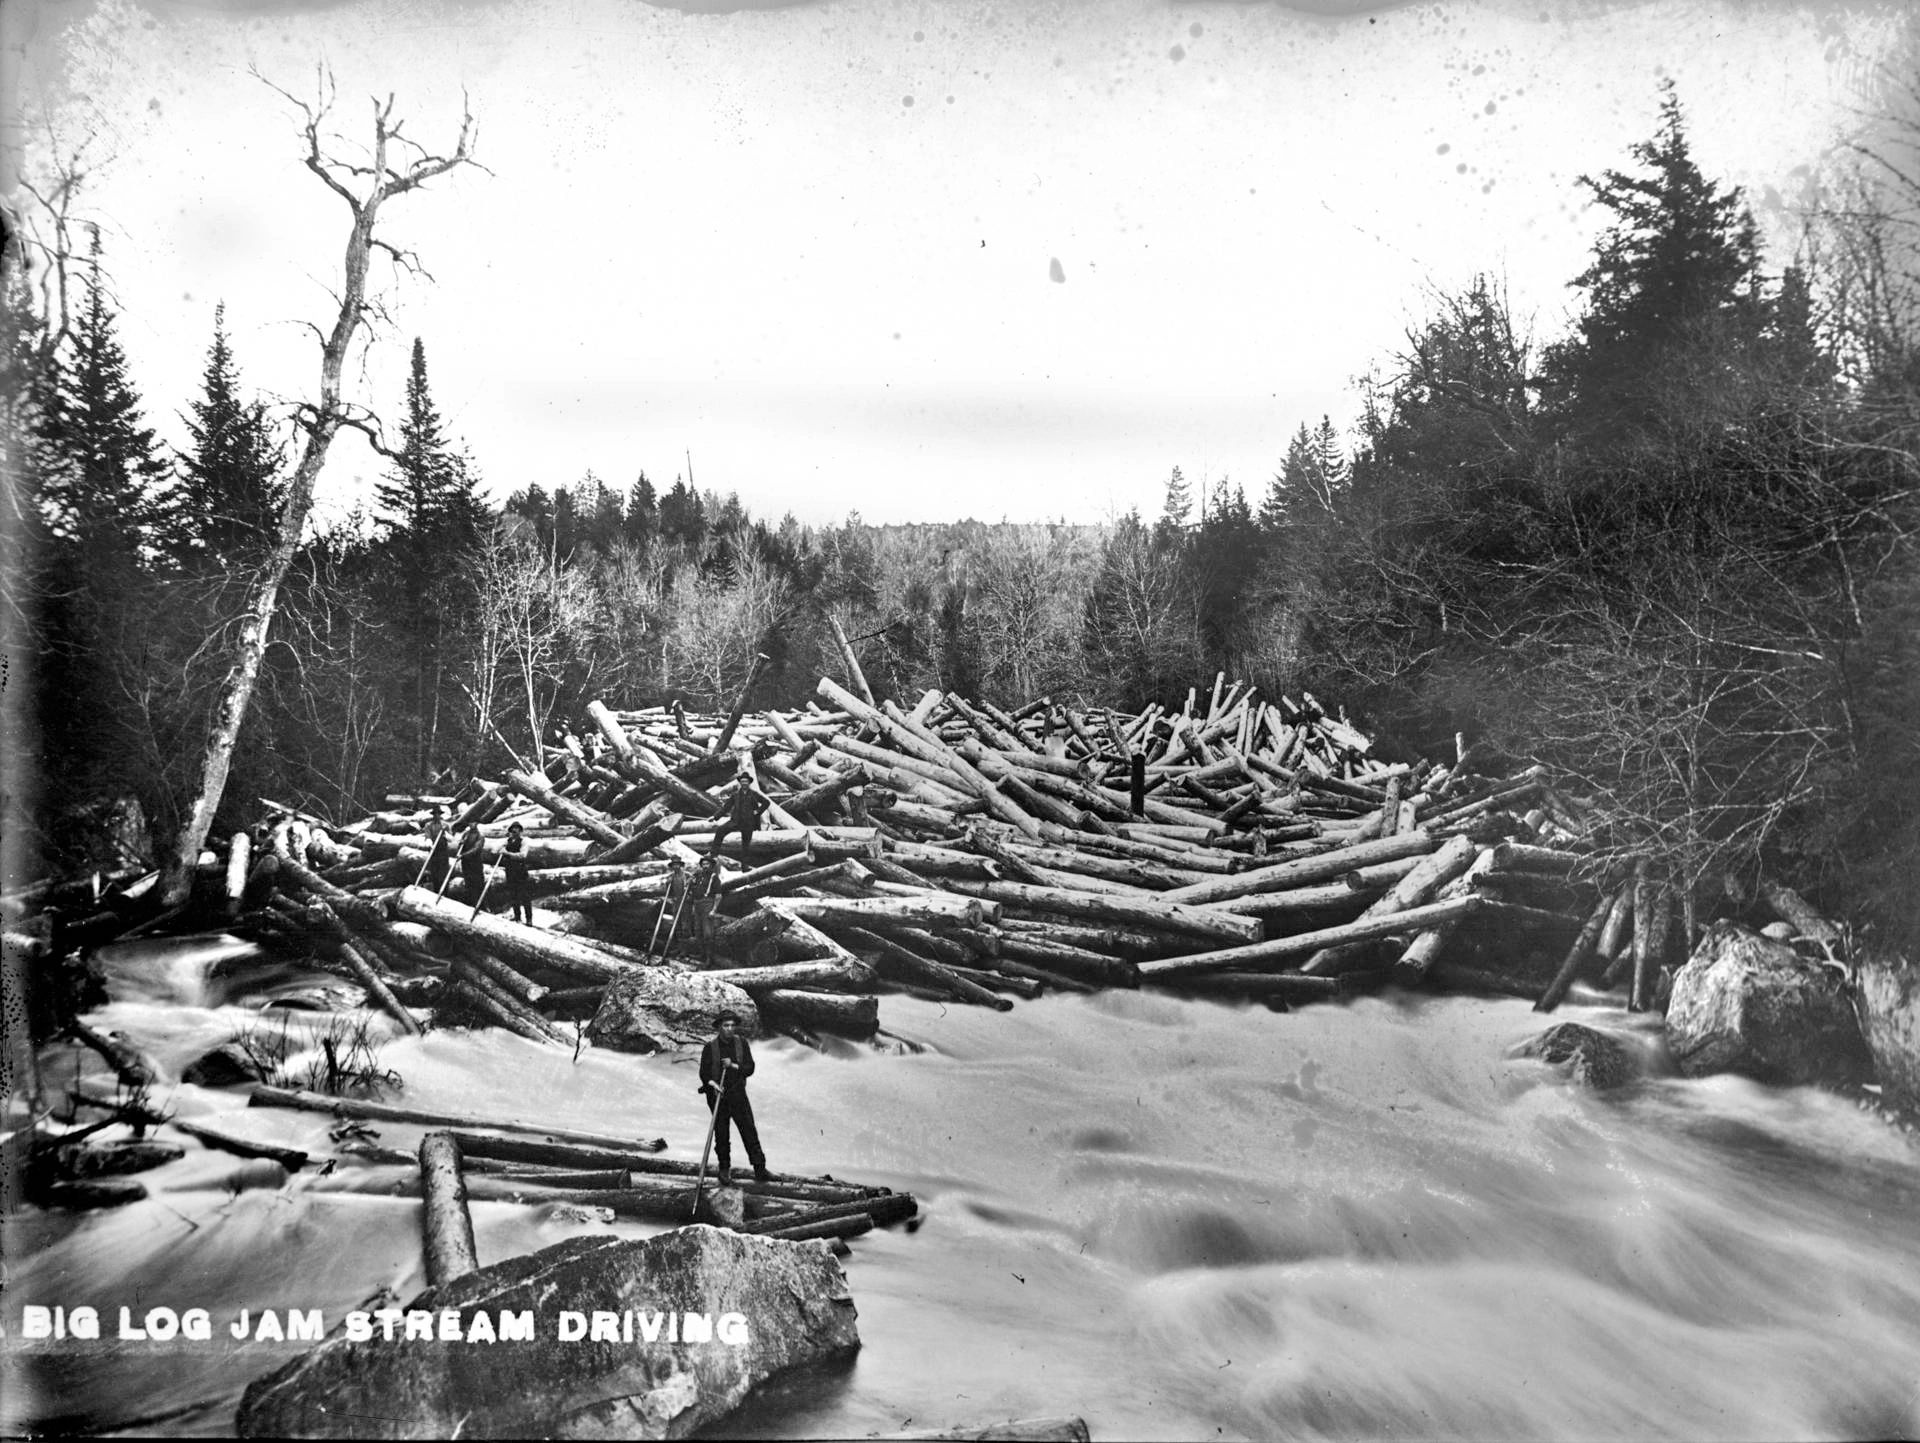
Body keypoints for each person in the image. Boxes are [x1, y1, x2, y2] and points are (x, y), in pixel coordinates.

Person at [697, 1011, 768, 1186]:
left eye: (732, 1026)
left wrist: (733, 1065)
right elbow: (704, 1074)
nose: (729, 1029)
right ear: (719, 1028)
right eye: (725, 1026)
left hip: (737, 1094)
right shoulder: (710, 1047)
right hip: (718, 1096)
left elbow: (750, 1068)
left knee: (749, 1130)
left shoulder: (741, 1044)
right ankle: (724, 1170)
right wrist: (713, 1084)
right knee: (721, 1134)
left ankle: (760, 1169)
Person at [709, 770, 770, 865]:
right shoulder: (735, 795)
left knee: (745, 846)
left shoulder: (754, 794)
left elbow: (766, 802)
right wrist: (715, 817)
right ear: (740, 783)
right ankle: (713, 854)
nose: (744, 783)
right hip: (735, 821)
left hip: (748, 823)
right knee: (720, 831)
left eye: (746, 781)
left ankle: (744, 866)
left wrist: (757, 812)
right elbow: (726, 807)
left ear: (749, 783)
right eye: (742, 781)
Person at [689, 853, 725, 966]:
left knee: (708, 933)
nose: (705, 866)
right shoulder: (698, 876)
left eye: (707, 864)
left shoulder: (714, 878)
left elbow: (719, 896)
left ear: (711, 865)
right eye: (703, 864)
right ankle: (701, 954)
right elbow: (690, 890)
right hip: (697, 905)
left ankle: (709, 958)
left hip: (707, 905)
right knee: (698, 931)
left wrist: (714, 910)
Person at [652, 857, 690, 957]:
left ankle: (685, 950)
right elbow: (669, 892)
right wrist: (667, 884)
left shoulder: (687, 876)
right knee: (676, 926)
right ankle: (679, 948)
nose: (675, 866)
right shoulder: (671, 877)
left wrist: (690, 888)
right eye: (674, 865)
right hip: (676, 903)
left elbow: (693, 890)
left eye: (677, 864)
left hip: (685, 904)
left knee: (685, 926)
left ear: (681, 865)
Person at [502, 821, 534, 925]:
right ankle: (517, 917)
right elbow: (496, 850)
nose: (515, 831)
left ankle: (529, 919)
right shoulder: (508, 841)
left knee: (525, 896)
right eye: (513, 830)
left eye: (517, 829)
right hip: (510, 872)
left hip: (520, 872)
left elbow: (523, 855)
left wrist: (508, 854)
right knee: (513, 895)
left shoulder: (524, 841)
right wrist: (502, 849)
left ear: (520, 831)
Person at [422, 806, 453, 892]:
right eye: (435, 814)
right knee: (435, 873)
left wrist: (446, 835)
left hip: (443, 852)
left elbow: (451, 838)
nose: (436, 816)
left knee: (444, 873)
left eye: (438, 814)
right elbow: (427, 836)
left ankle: (444, 893)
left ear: (440, 815)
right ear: (433, 815)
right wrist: (429, 843)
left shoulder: (445, 825)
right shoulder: (428, 825)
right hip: (433, 852)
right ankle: (436, 891)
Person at [457, 820, 489, 902]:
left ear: (476, 823)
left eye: (473, 822)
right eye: (470, 822)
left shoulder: (480, 836)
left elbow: (476, 849)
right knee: (468, 883)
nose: (471, 824)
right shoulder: (465, 834)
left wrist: (463, 855)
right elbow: (460, 847)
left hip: (475, 863)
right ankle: (471, 903)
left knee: (478, 883)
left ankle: (481, 904)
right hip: (466, 864)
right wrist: (460, 844)